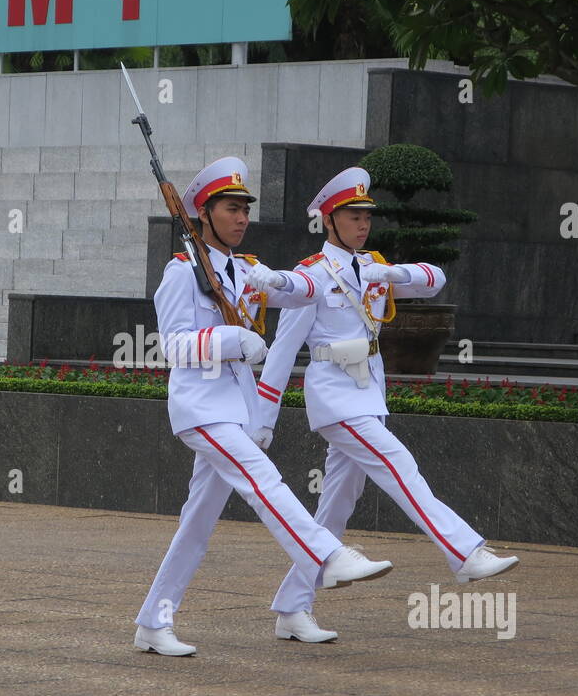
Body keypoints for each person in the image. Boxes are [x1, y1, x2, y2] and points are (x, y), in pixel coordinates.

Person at [134, 157, 393, 656]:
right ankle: (326, 555)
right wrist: (232, 338)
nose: (241, 218)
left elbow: (298, 298)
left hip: (236, 407)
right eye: (231, 209)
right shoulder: (181, 272)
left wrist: (318, 281)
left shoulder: (249, 270)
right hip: (200, 408)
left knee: (197, 526)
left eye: (244, 210)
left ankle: (153, 621)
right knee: (262, 478)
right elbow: (172, 346)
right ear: (204, 215)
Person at [252, 166, 519, 642]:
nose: (363, 223)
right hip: (334, 398)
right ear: (329, 221)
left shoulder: (373, 267)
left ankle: (293, 607)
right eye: (352, 216)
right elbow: (282, 352)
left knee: (335, 506)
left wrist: (393, 272)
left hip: (368, 394)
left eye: (366, 216)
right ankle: (464, 551)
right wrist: (262, 420)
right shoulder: (311, 275)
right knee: (398, 461)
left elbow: (434, 279)